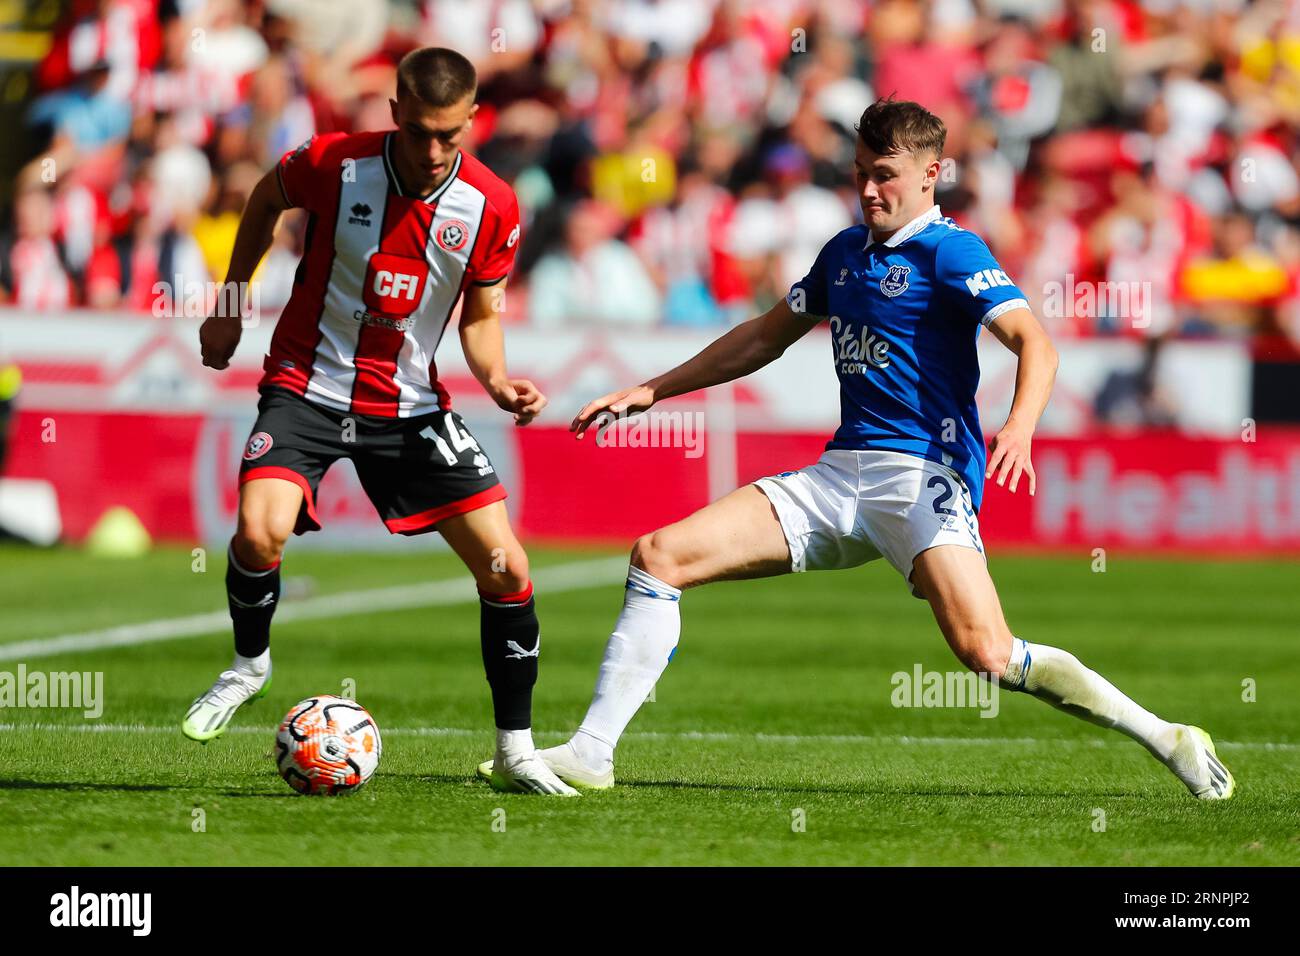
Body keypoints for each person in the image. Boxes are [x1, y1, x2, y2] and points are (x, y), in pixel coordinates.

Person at [480, 98, 1234, 801]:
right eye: (861, 174)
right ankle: (591, 751)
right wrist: (654, 389)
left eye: (886, 176)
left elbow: (1034, 341)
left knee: (988, 655)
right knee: (658, 556)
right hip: (840, 474)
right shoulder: (844, 252)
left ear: (931, 174)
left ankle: (1167, 736)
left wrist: (1021, 423)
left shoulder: (952, 252)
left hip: (923, 481)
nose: (870, 191)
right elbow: (762, 337)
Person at [185, 47, 576, 796]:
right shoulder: (333, 162)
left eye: (450, 136)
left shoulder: (492, 204)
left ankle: (517, 750)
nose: (433, 152)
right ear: (394, 112)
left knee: (508, 569)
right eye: (421, 131)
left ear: (471, 123)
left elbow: (483, 314)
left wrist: (496, 381)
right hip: (307, 384)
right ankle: (247, 665)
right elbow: (264, 200)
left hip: (409, 406)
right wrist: (231, 305)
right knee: (258, 530)